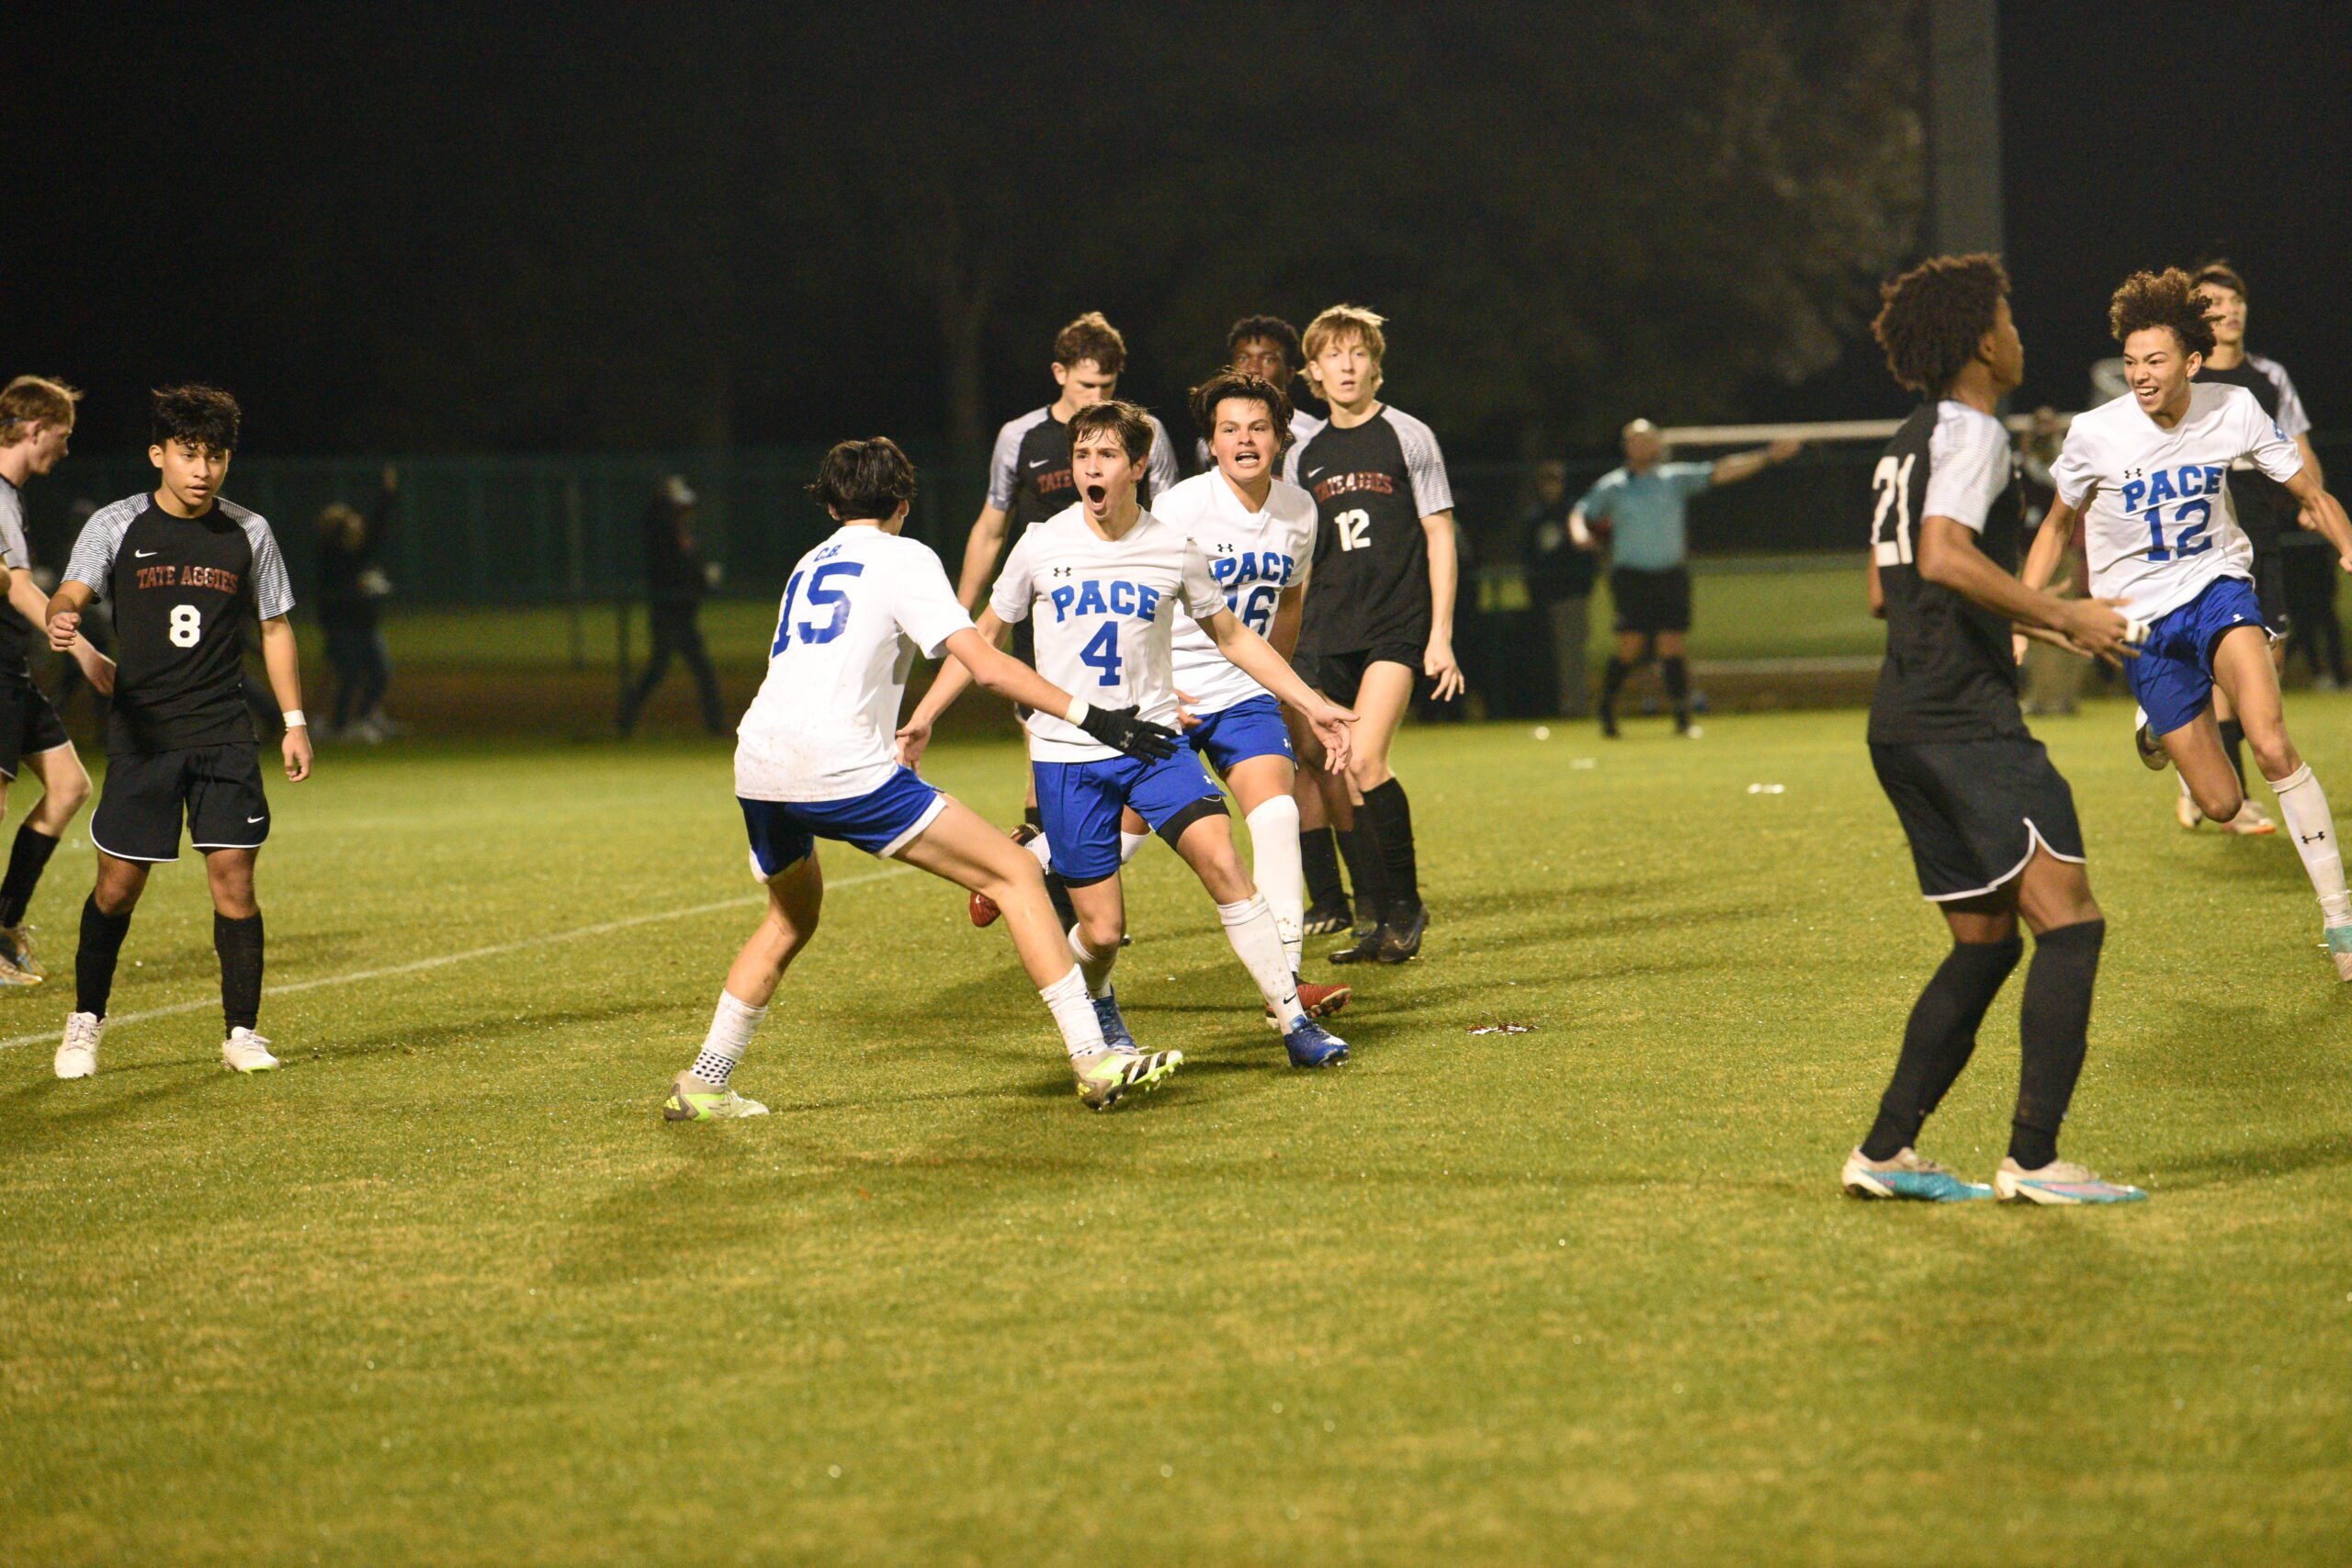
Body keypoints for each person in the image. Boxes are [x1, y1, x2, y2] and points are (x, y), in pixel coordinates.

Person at [661, 438, 1190, 1119]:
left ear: (829, 504)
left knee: (791, 917)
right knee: (1015, 873)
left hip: (760, 763)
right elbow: (988, 663)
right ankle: (1095, 1058)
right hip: (840, 764)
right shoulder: (906, 555)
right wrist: (1096, 716)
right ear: (904, 505)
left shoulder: (808, 560)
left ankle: (705, 1079)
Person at [904, 401, 1359, 1070]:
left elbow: (1234, 637)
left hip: (1153, 743)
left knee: (1225, 861)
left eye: (1107, 455)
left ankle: (1293, 1022)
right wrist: (925, 715)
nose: (1091, 468)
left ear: (1138, 466)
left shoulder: (1172, 547)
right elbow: (984, 640)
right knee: (1103, 930)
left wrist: (1310, 702)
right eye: (1082, 455)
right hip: (1071, 757)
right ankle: (1099, 1000)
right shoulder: (1041, 543)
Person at [1847, 254, 2146, 1205]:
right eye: (2009, 319)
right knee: (2071, 927)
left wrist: (2022, 609)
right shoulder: (1974, 430)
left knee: (1985, 944)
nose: (2018, 334)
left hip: (1900, 720)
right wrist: (2064, 618)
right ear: (1982, 341)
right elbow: (1941, 555)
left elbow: (1882, 588)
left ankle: (1885, 1152)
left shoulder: (1907, 438)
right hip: (1964, 724)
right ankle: (2033, 1160)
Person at [2023, 268, 2352, 981]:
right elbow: (2055, 527)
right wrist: (2024, 614)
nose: (2139, 375)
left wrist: (2348, 541)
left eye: (2156, 361)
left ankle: (2340, 918)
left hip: (2217, 589)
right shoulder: (2094, 434)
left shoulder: (2231, 408)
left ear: (2192, 362)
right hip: (2140, 625)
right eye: (2132, 361)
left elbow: (2307, 489)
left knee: (2269, 743)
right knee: (2220, 799)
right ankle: (2156, 720)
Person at [46, 385, 311, 1079]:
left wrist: (293, 721)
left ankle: (242, 1032)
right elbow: (72, 588)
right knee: (116, 886)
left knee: (235, 883)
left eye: (216, 456)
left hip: (223, 732)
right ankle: (86, 1021)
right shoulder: (116, 523)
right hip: (143, 736)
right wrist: (65, 613)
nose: (202, 470)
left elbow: (275, 625)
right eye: (189, 454)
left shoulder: (249, 531)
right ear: (158, 454)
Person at [953, 312, 1180, 926]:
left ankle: (1044, 870)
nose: (1099, 400)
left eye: (1108, 387)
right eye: (1086, 388)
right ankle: (1061, 899)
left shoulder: (1141, 436)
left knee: (1126, 771)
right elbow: (991, 526)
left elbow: (1173, 531)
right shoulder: (1020, 438)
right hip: (1050, 615)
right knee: (1049, 750)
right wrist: (960, 616)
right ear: (1059, 375)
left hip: (1126, 614)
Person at [1288, 305, 1459, 964]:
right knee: (1343, 775)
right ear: (1314, 372)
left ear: (1376, 366)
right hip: (1328, 631)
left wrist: (1438, 634)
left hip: (1394, 623)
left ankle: (1407, 906)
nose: (1348, 365)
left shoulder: (1408, 436)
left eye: (1358, 353)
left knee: (1365, 760)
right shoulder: (1301, 455)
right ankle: (1379, 917)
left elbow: (1439, 533)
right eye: (1333, 355)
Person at [2165, 262, 2324, 833]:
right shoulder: (2184, 377)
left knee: (2267, 663)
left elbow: (2300, 450)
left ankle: (2201, 774)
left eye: (2235, 300)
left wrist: (2314, 499)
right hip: (2205, 545)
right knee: (2229, 660)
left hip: (2260, 534)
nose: (2229, 311)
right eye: (2214, 302)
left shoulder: (2268, 377)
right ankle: (2230, 790)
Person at [1572, 420, 1800, 738]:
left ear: (1657, 445)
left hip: (1670, 574)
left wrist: (1767, 456)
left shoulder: (1673, 479)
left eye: (1647, 440)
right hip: (1631, 576)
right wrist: (1581, 534)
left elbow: (1720, 471)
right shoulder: (1614, 485)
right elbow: (1581, 513)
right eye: (1635, 441)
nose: (1642, 447)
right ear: (1626, 447)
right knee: (1630, 646)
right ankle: (1607, 708)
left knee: (1671, 644)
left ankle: (1682, 717)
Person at [0, 378, 113, 987]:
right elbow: (15, 584)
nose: (64, 451)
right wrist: (85, 651)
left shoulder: (8, 496)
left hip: (11, 668)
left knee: (68, 786)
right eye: (62, 437)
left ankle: (3, 925)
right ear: (35, 427)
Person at [616, 475, 725, 737]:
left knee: (664, 670)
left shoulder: (677, 532)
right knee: (687, 670)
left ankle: (626, 718)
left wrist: (702, 578)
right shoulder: (662, 530)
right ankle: (715, 725)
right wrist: (702, 577)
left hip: (679, 613)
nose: (686, 511)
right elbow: (673, 563)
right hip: (669, 612)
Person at [315, 465, 399, 739]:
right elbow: (339, 591)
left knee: (380, 673)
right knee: (349, 675)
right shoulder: (334, 557)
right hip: (342, 627)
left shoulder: (356, 554)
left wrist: (387, 496)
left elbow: (374, 532)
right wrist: (362, 590)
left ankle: (363, 718)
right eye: (350, 524)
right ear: (339, 533)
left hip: (363, 626)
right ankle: (338, 726)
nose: (357, 526)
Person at [1191, 315, 1325, 477]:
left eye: (1268, 360)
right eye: (1243, 358)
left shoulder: (1312, 434)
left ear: (1289, 373)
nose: (1253, 368)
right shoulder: (1212, 437)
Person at [1521, 460, 1598, 717]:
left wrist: (1583, 589)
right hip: (1544, 598)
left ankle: (1576, 707)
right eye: (1546, 481)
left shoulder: (1574, 514)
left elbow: (1589, 557)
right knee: (1546, 656)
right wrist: (1534, 594)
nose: (1550, 487)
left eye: (1555, 481)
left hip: (1571, 595)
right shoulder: (1534, 518)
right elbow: (1528, 559)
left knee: (1572, 653)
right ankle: (1550, 705)